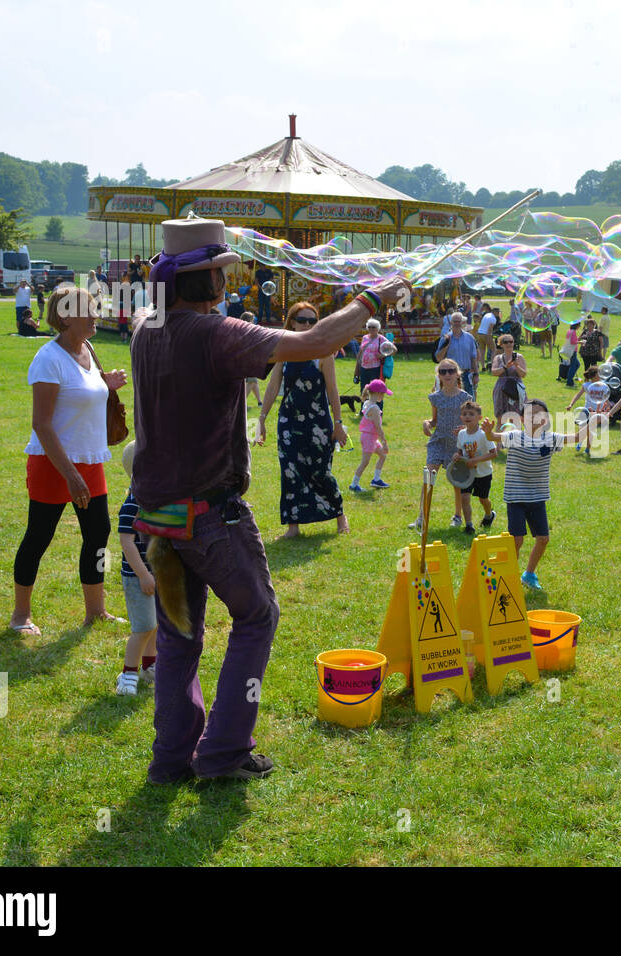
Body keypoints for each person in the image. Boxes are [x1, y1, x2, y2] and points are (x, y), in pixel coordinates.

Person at [131, 217, 405, 783]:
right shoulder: (215, 333)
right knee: (256, 615)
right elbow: (315, 343)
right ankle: (224, 752)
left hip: (157, 515)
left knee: (182, 636)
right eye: (221, 272)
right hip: (209, 512)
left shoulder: (145, 329)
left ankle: (170, 760)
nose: (229, 283)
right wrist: (372, 300)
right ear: (200, 278)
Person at [11, 287, 127, 636]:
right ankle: (20, 615)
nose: (96, 315)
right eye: (88, 310)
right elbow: (41, 424)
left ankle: (96, 611)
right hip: (53, 463)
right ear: (64, 317)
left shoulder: (88, 349)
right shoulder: (47, 359)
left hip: (90, 460)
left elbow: (85, 389)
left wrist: (106, 383)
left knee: (98, 533)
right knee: (39, 536)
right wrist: (71, 476)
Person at [256, 301, 350, 539]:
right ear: (292, 323)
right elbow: (273, 385)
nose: (308, 324)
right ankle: (293, 526)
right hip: (288, 421)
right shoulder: (284, 351)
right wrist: (262, 418)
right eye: (303, 320)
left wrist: (338, 424)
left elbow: (332, 390)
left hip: (318, 422)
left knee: (320, 470)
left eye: (312, 320)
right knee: (290, 470)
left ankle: (340, 516)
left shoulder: (323, 352)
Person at [484, 401, 576, 589]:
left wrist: (595, 421)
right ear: (522, 419)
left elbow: (575, 437)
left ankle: (529, 574)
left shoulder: (550, 438)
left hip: (537, 497)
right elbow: (495, 436)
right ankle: (509, 575)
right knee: (516, 540)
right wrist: (488, 432)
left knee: (543, 539)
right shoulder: (515, 436)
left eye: (538, 414)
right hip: (516, 497)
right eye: (529, 414)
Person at [115, 441, 157, 695]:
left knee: (155, 625)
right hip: (138, 578)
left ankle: (150, 666)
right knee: (142, 628)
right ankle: (128, 673)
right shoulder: (132, 504)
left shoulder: (154, 500)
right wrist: (143, 575)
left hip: (156, 575)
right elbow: (126, 543)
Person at [411, 358, 471, 531]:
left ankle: (457, 517)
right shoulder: (435, 397)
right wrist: (426, 423)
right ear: (438, 375)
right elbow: (434, 420)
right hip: (438, 442)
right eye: (443, 371)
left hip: (457, 445)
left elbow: (471, 421)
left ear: (457, 373)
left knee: (457, 482)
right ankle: (421, 518)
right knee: (428, 478)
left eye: (451, 370)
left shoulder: (466, 397)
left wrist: (466, 428)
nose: (447, 374)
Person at [452, 400, 497, 534]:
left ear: (479, 417)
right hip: (467, 473)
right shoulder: (461, 434)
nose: (467, 417)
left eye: (471, 414)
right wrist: (457, 455)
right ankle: (469, 525)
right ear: (461, 417)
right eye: (465, 414)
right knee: (465, 497)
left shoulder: (484, 434)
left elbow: (493, 454)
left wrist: (476, 459)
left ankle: (490, 514)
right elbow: (461, 450)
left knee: (483, 499)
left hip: (483, 473)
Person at [350, 379, 392, 492]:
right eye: (383, 394)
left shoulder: (367, 403)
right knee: (365, 462)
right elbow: (379, 428)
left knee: (382, 456)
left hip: (370, 437)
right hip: (369, 438)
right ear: (379, 393)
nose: (384, 396)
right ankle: (354, 484)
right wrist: (384, 443)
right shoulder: (375, 408)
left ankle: (376, 480)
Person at [567, 364, 611, 455]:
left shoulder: (603, 386)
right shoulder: (586, 385)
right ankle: (580, 441)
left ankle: (587, 449)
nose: (601, 375)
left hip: (596, 412)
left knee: (591, 430)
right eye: (599, 374)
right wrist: (571, 404)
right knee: (582, 428)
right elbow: (578, 395)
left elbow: (606, 399)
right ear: (594, 376)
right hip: (587, 410)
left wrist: (609, 408)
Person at [435, 312, 479, 398]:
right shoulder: (445, 338)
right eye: (455, 321)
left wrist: (476, 374)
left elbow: (473, 358)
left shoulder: (469, 338)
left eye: (459, 321)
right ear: (451, 322)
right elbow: (438, 358)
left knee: (469, 404)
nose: (457, 324)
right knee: (452, 402)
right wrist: (446, 345)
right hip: (451, 376)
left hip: (467, 375)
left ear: (462, 323)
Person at [355, 318, 396, 404]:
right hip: (363, 367)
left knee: (376, 389)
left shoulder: (381, 339)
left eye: (373, 327)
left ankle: (377, 409)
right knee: (363, 389)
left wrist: (382, 355)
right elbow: (360, 352)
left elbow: (394, 349)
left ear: (377, 328)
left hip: (375, 368)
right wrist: (357, 367)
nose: (371, 329)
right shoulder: (365, 337)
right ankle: (364, 409)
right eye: (369, 327)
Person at [491, 331, 528, 424]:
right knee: (501, 419)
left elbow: (523, 374)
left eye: (511, 341)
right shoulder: (498, 358)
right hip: (502, 389)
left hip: (516, 389)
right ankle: (499, 438)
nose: (509, 344)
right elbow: (494, 372)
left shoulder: (519, 357)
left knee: (515, 418)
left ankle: (515, 438)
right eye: (506, 342)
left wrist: (516, 366)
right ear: (501, 344)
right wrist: (505, 367)